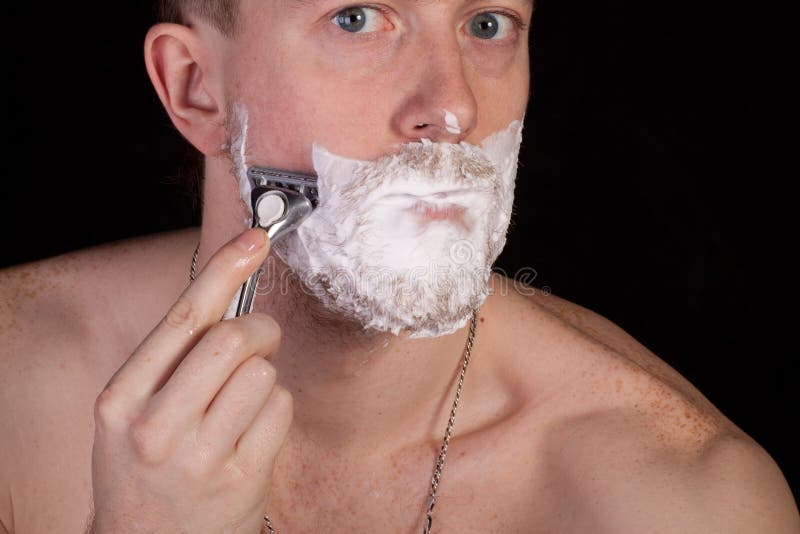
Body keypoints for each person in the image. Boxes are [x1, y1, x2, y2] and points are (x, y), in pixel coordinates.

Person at [1, 0, 797, 532]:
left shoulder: (681, 501)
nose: (453, 109)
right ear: (196, 87)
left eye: (486, 25)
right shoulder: (11, 390)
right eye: (358, 18)